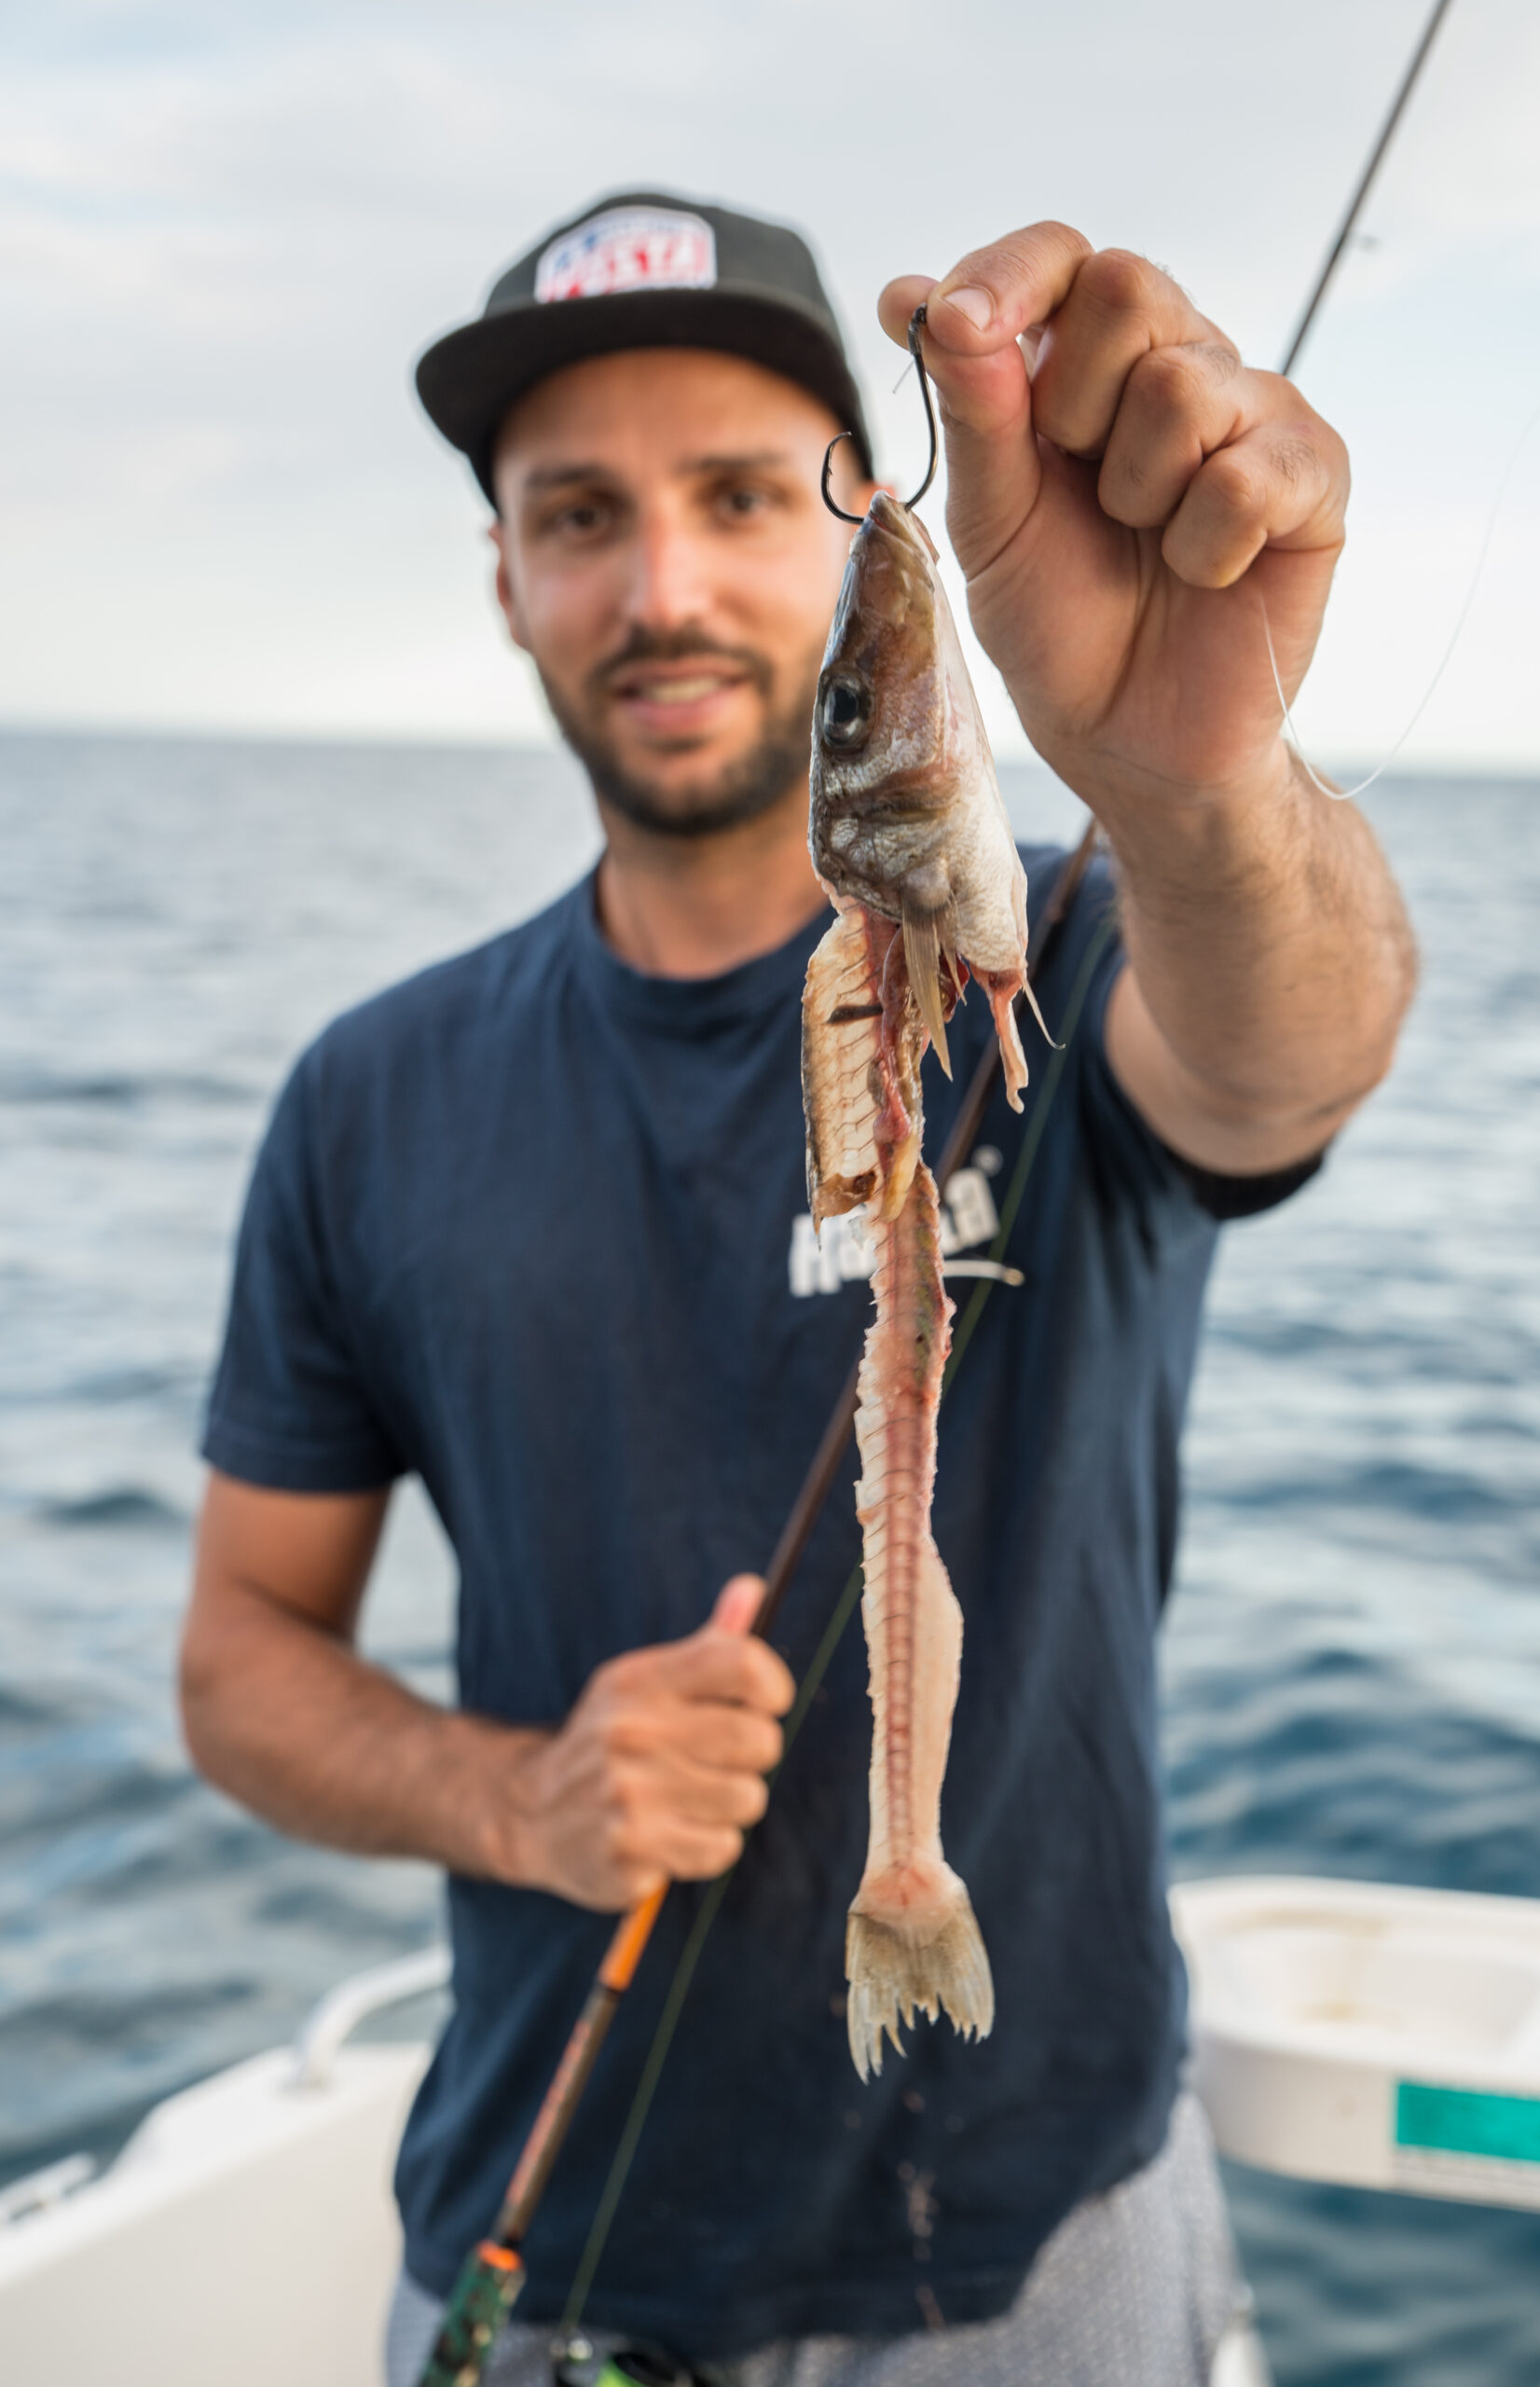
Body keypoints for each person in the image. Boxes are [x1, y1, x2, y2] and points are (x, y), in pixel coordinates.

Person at [179, 192, 1415, 2387]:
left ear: (851, 515)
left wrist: (1197, 789)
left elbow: (1291, 1047)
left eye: (744, 495)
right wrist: (512, 1794)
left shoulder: (1100, 941)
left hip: (1046, 2250)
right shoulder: (366, 1100)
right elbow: (237, 1654)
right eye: (580, 514)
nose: (661, 585)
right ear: (506, 579)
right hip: (548, 2255)